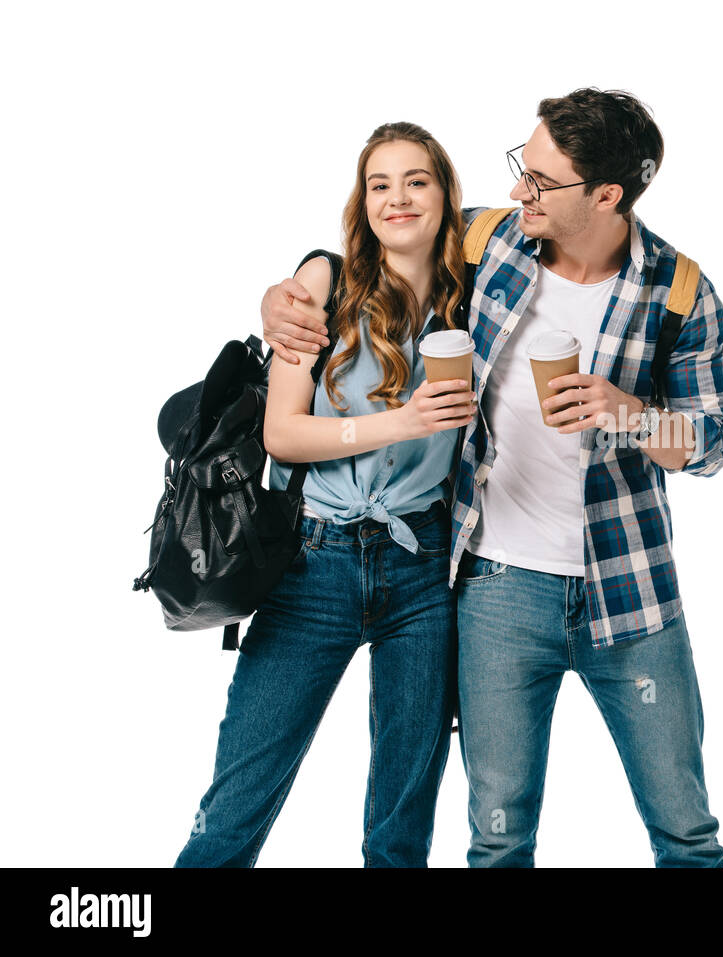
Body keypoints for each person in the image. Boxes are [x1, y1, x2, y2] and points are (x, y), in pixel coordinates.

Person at [261, 89, 723, 867]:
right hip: (498, 588)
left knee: (685, 830)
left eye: (541, 181)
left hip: (633, 592)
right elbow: (376, 246)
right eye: (523, 168)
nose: (520, 190)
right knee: (498, 836)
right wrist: (282, 295)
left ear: (606, 195)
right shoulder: (489, 240)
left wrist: (633, 413)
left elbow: (712, 441)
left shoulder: (680, 293)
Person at [176, 122, 477, 867]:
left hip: (424, 569)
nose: (397, 198)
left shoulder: (477, 296)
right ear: (362, 200)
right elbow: (282, 433)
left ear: (446, 197)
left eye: (417, 181)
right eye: (380, 183)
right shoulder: (326, 283)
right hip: (317, 561)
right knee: (235, 808)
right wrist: (398, 422)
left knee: (401, 831)